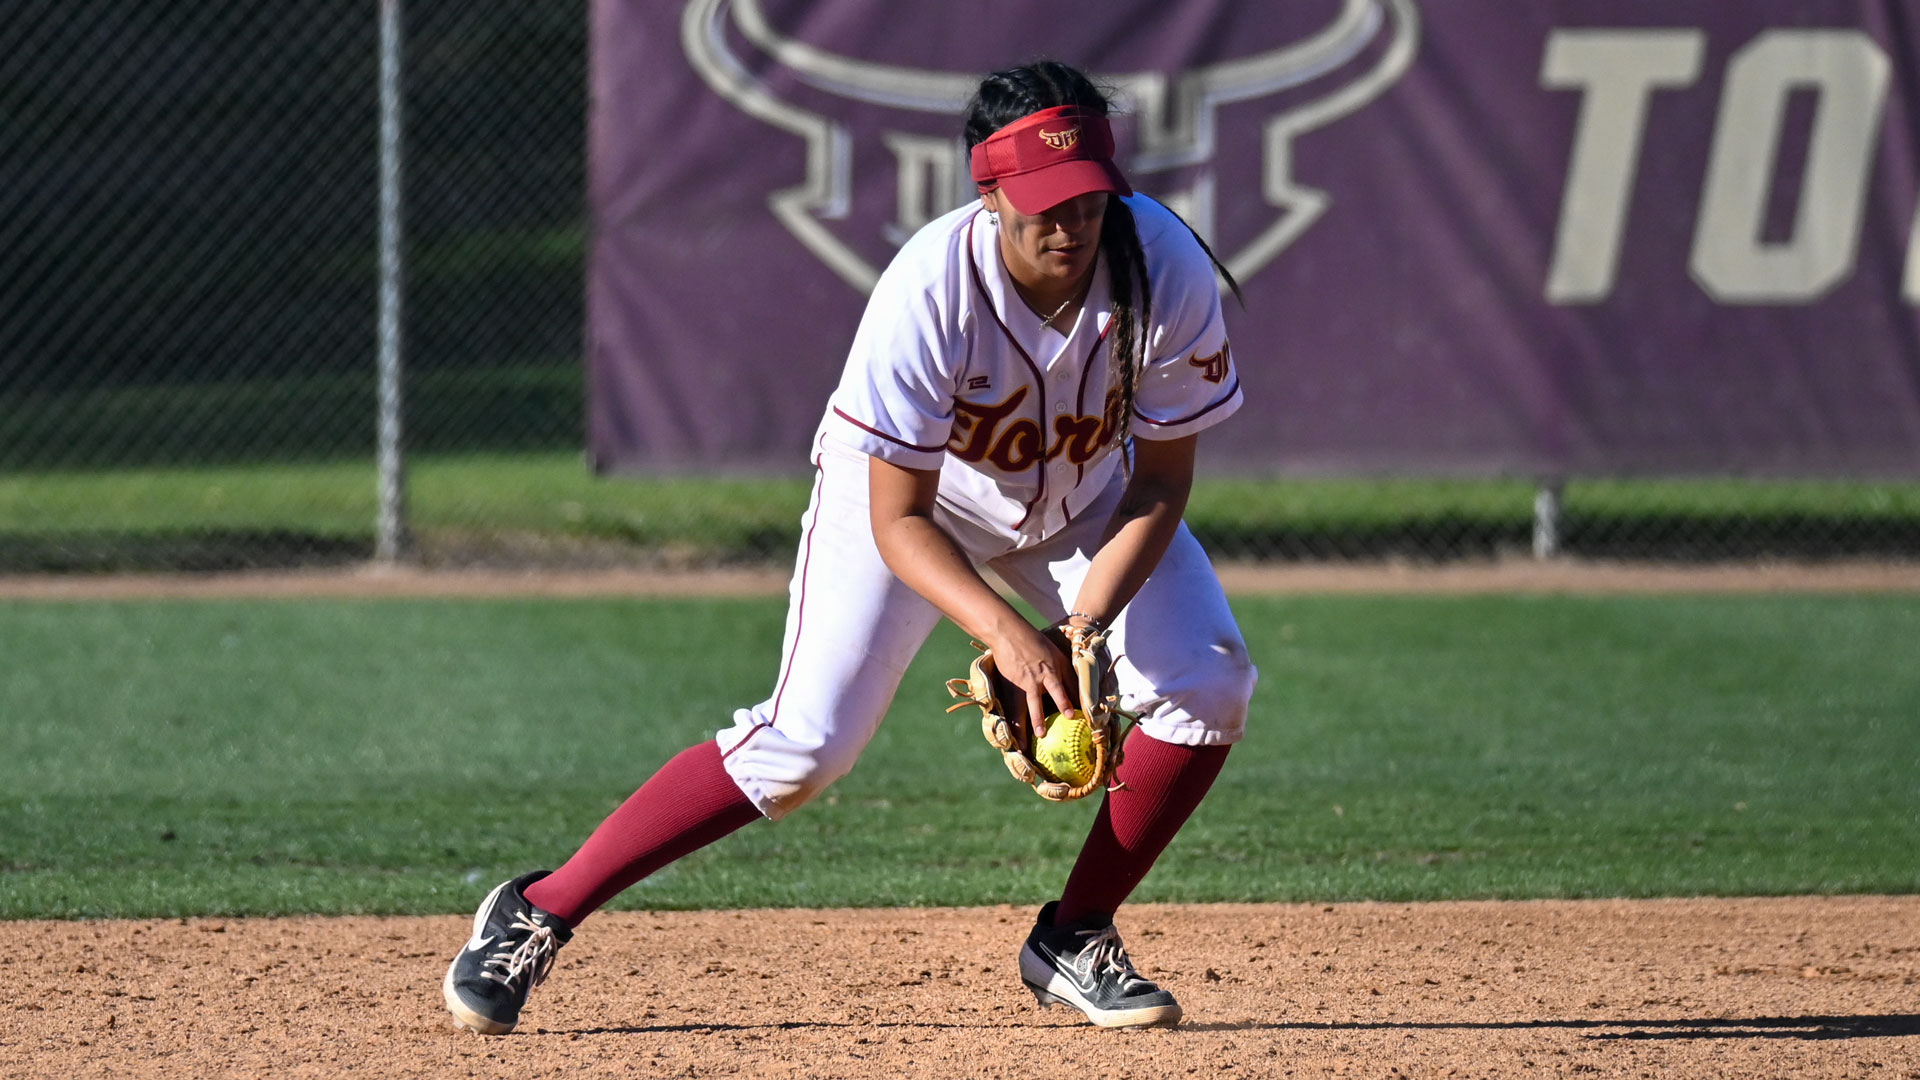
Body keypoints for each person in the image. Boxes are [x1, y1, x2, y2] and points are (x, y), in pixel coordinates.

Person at [442, 59, 1256, 1035]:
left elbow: (1162, 482)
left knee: (1209, 680)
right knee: (804, 749)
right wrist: (1010, 634)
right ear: (987, 190)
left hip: (1086, 503)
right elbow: (898, 519)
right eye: (1040, 202)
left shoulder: (1162, 266)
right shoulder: (930, 290)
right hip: (915, 508)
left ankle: (1075, 935)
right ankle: (537, 910)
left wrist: (1081, 625)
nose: (1068, 224)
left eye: (1085, 198)